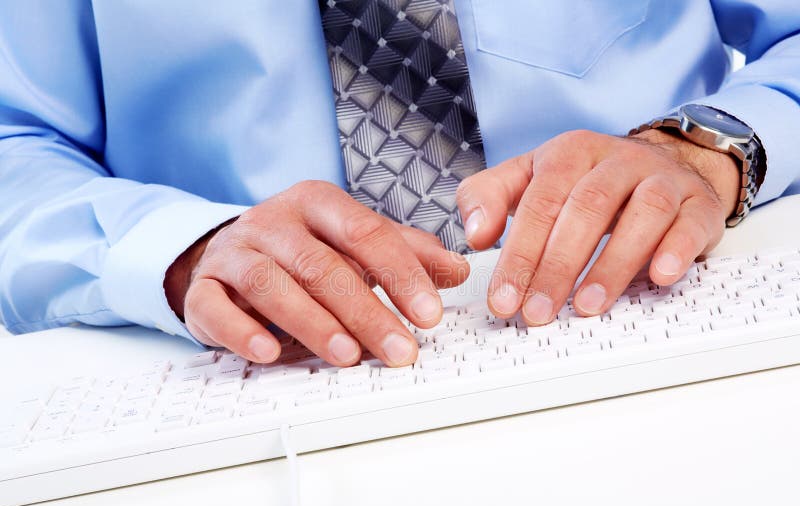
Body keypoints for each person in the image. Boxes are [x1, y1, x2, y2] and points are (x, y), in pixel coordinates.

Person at [0, 1, 798, 368]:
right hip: (265, 371)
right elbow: (16, 142)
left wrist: (705, 148)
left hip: (657, 303)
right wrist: (181, 249)